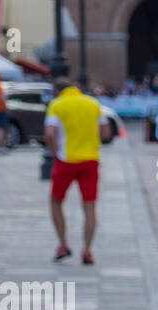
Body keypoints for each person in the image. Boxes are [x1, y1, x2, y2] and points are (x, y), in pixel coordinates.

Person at [44, 77, 109, 265]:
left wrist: (54, 151)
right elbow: (105, 133)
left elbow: (49, 133)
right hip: (90, 160)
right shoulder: (93, 103)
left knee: (56, 201)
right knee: (90, 207)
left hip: (66, 160)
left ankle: (63, 244)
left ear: (57, 91)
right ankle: (87, 250)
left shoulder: (57, 104)